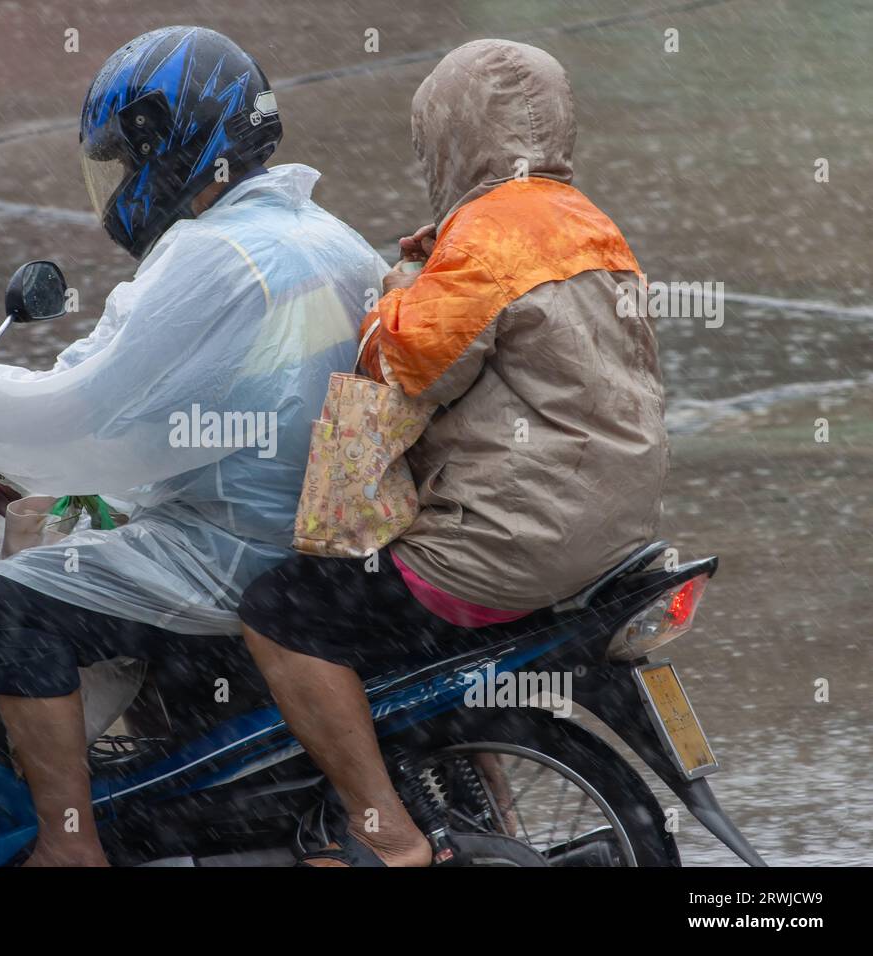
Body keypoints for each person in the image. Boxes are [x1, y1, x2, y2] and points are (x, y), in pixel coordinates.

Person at [0, 26, 385, 866]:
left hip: (234, 548)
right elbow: (146, 386)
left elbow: (88, 409)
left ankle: (70, 847)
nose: (122, 188)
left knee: (15, 600)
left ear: (170, 145)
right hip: (304, 535)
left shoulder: (215, 255)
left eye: (125, 163)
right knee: (93, 544)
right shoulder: (330, 238)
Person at [238, 38, 669, 867]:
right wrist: (445, 258)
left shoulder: (487, 235)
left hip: (508, 545)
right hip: (611, 530)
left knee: (279, 612)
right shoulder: (590, 225)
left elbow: (401, 363)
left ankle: (382, 828)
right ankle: (486, 816)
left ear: (450, 137)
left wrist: (395, 290)